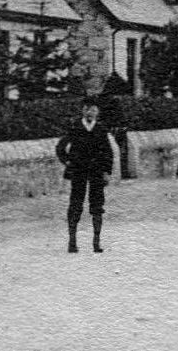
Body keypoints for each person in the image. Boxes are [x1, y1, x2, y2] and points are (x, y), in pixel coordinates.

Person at [55, 98, 115, 253]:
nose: (90, 113)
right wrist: (68, 162)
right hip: (79, 170)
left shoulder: (101, 129)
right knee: (76, 204)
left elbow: (108, 152)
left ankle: (96, 242)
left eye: (93, 110)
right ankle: (72, 242)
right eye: (87, 109)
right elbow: (61, 147)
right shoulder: (75, 127)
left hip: (96, 171)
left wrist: (107, 171)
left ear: (97, 113)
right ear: (82, 111)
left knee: (97, 205)